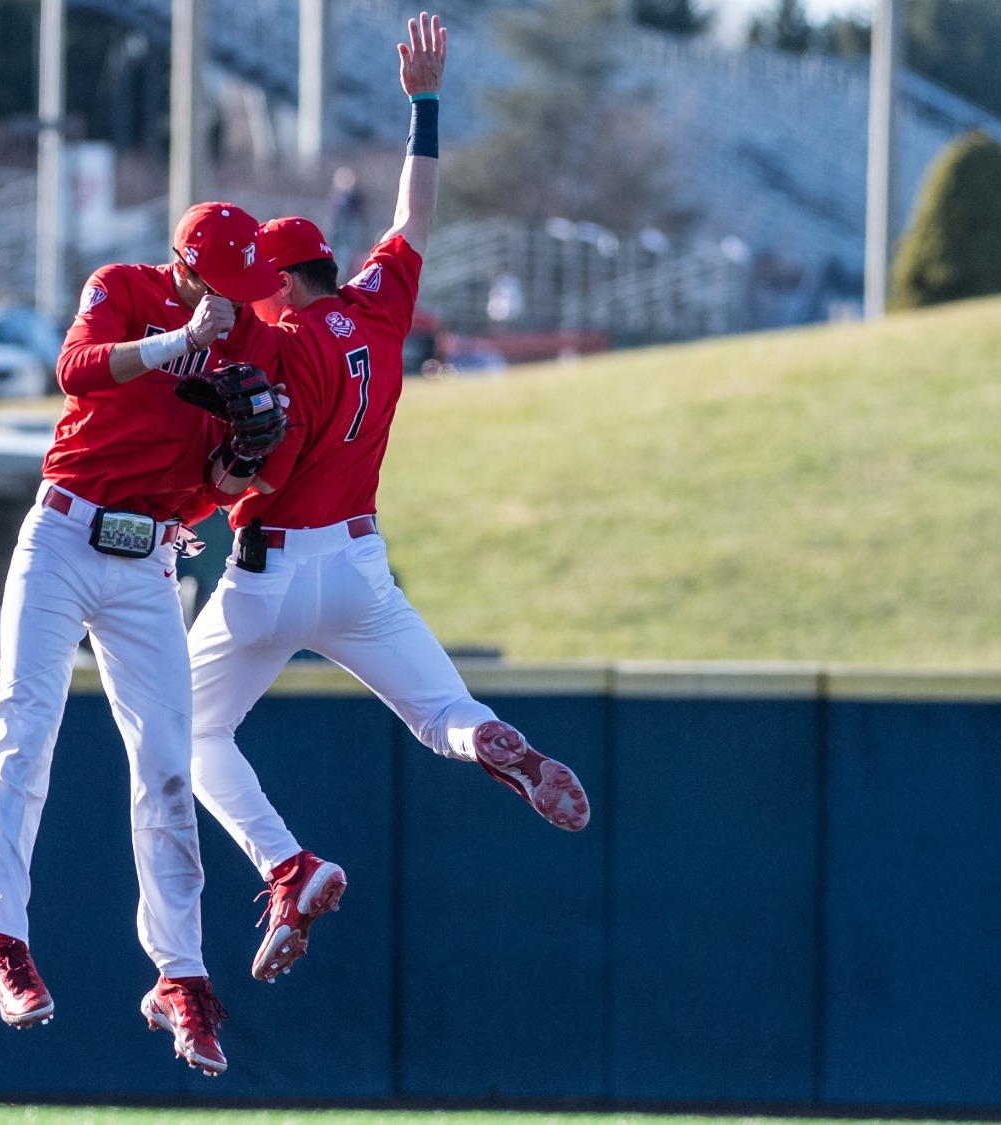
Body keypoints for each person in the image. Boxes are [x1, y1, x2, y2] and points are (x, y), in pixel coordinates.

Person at [184, 12, 591, 986]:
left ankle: (287, 864)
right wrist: (425, 102)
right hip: (359, 566)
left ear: (282, 280)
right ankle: (482, 740)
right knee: (438, 710)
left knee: (183, 732)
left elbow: (224, 383)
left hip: (268, 572)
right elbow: (412, 217)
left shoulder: (274, 341)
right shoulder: (379, 305)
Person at [0, 201, 287, 1078]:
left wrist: (228, 480)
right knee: (25, 730)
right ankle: (5, 936)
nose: (249, 301)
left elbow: (215, 480)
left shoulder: (250, 338)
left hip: (147, 557)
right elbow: (74, 370)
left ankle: (179, 972)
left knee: (168, 765)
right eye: (233, 285)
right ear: (189, 271)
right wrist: (174, 340)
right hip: (65, 535)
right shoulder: (125, 289)